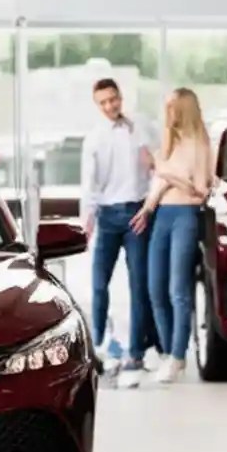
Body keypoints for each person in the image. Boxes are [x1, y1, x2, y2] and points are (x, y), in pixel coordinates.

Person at [80, 77, 161, 388]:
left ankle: (137, 351)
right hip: (108, 216)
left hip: (137, 213)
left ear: (120, 97)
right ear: (97, 105)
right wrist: (87, 219)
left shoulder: (140, 128)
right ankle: (98, 346)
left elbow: (158, 168)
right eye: (103, 102)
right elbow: (89, 183)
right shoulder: (95, 138)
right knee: (99, 285)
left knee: (139, 286)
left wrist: (149, 208)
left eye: (113, 99)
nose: (110, 106)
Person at [131, 88, 214, 384]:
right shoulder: (169, 144)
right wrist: (147, 209)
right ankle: (168, 353)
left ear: (183, 109)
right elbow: (159, 182)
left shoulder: (200, 145)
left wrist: (167, 173)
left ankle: (178, 356)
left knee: (179, 291)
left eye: (172, 107)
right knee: (155, 289)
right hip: (162, 215)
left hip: (186, 216)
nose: (168, 113)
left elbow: (202, 189)